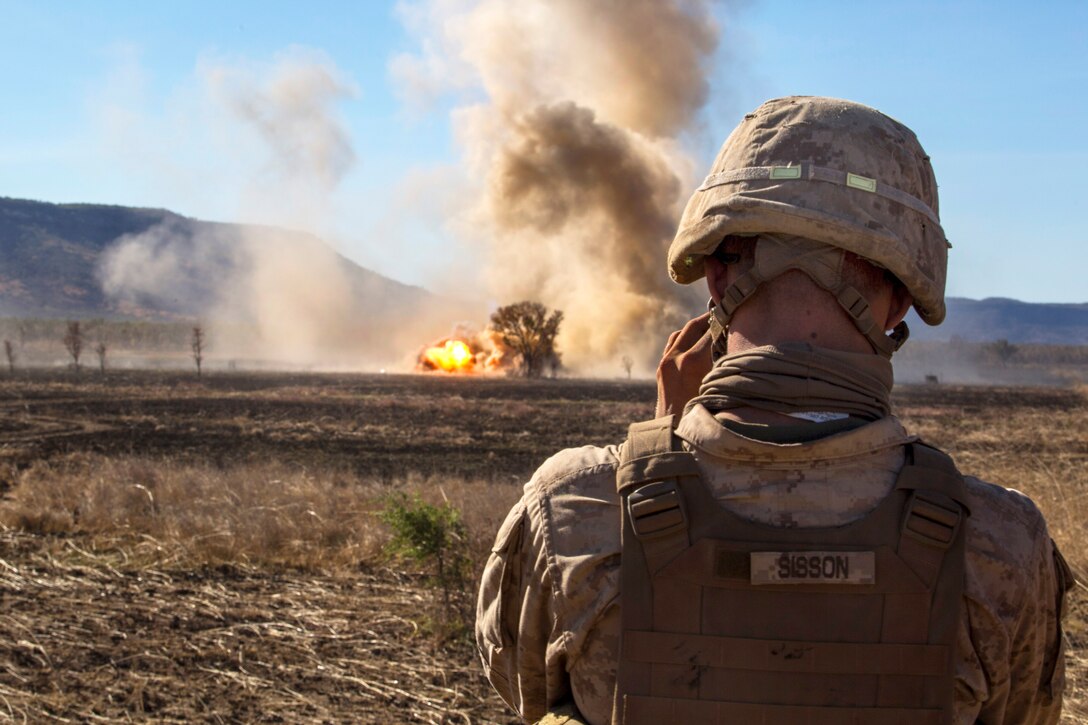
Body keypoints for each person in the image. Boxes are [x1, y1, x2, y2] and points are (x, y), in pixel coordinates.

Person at [475, 96, 1072, 725]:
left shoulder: (574, 513)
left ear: (715, 279)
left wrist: (656, 459)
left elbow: (526, 689)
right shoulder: (1001, 545)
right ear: (899, 303)